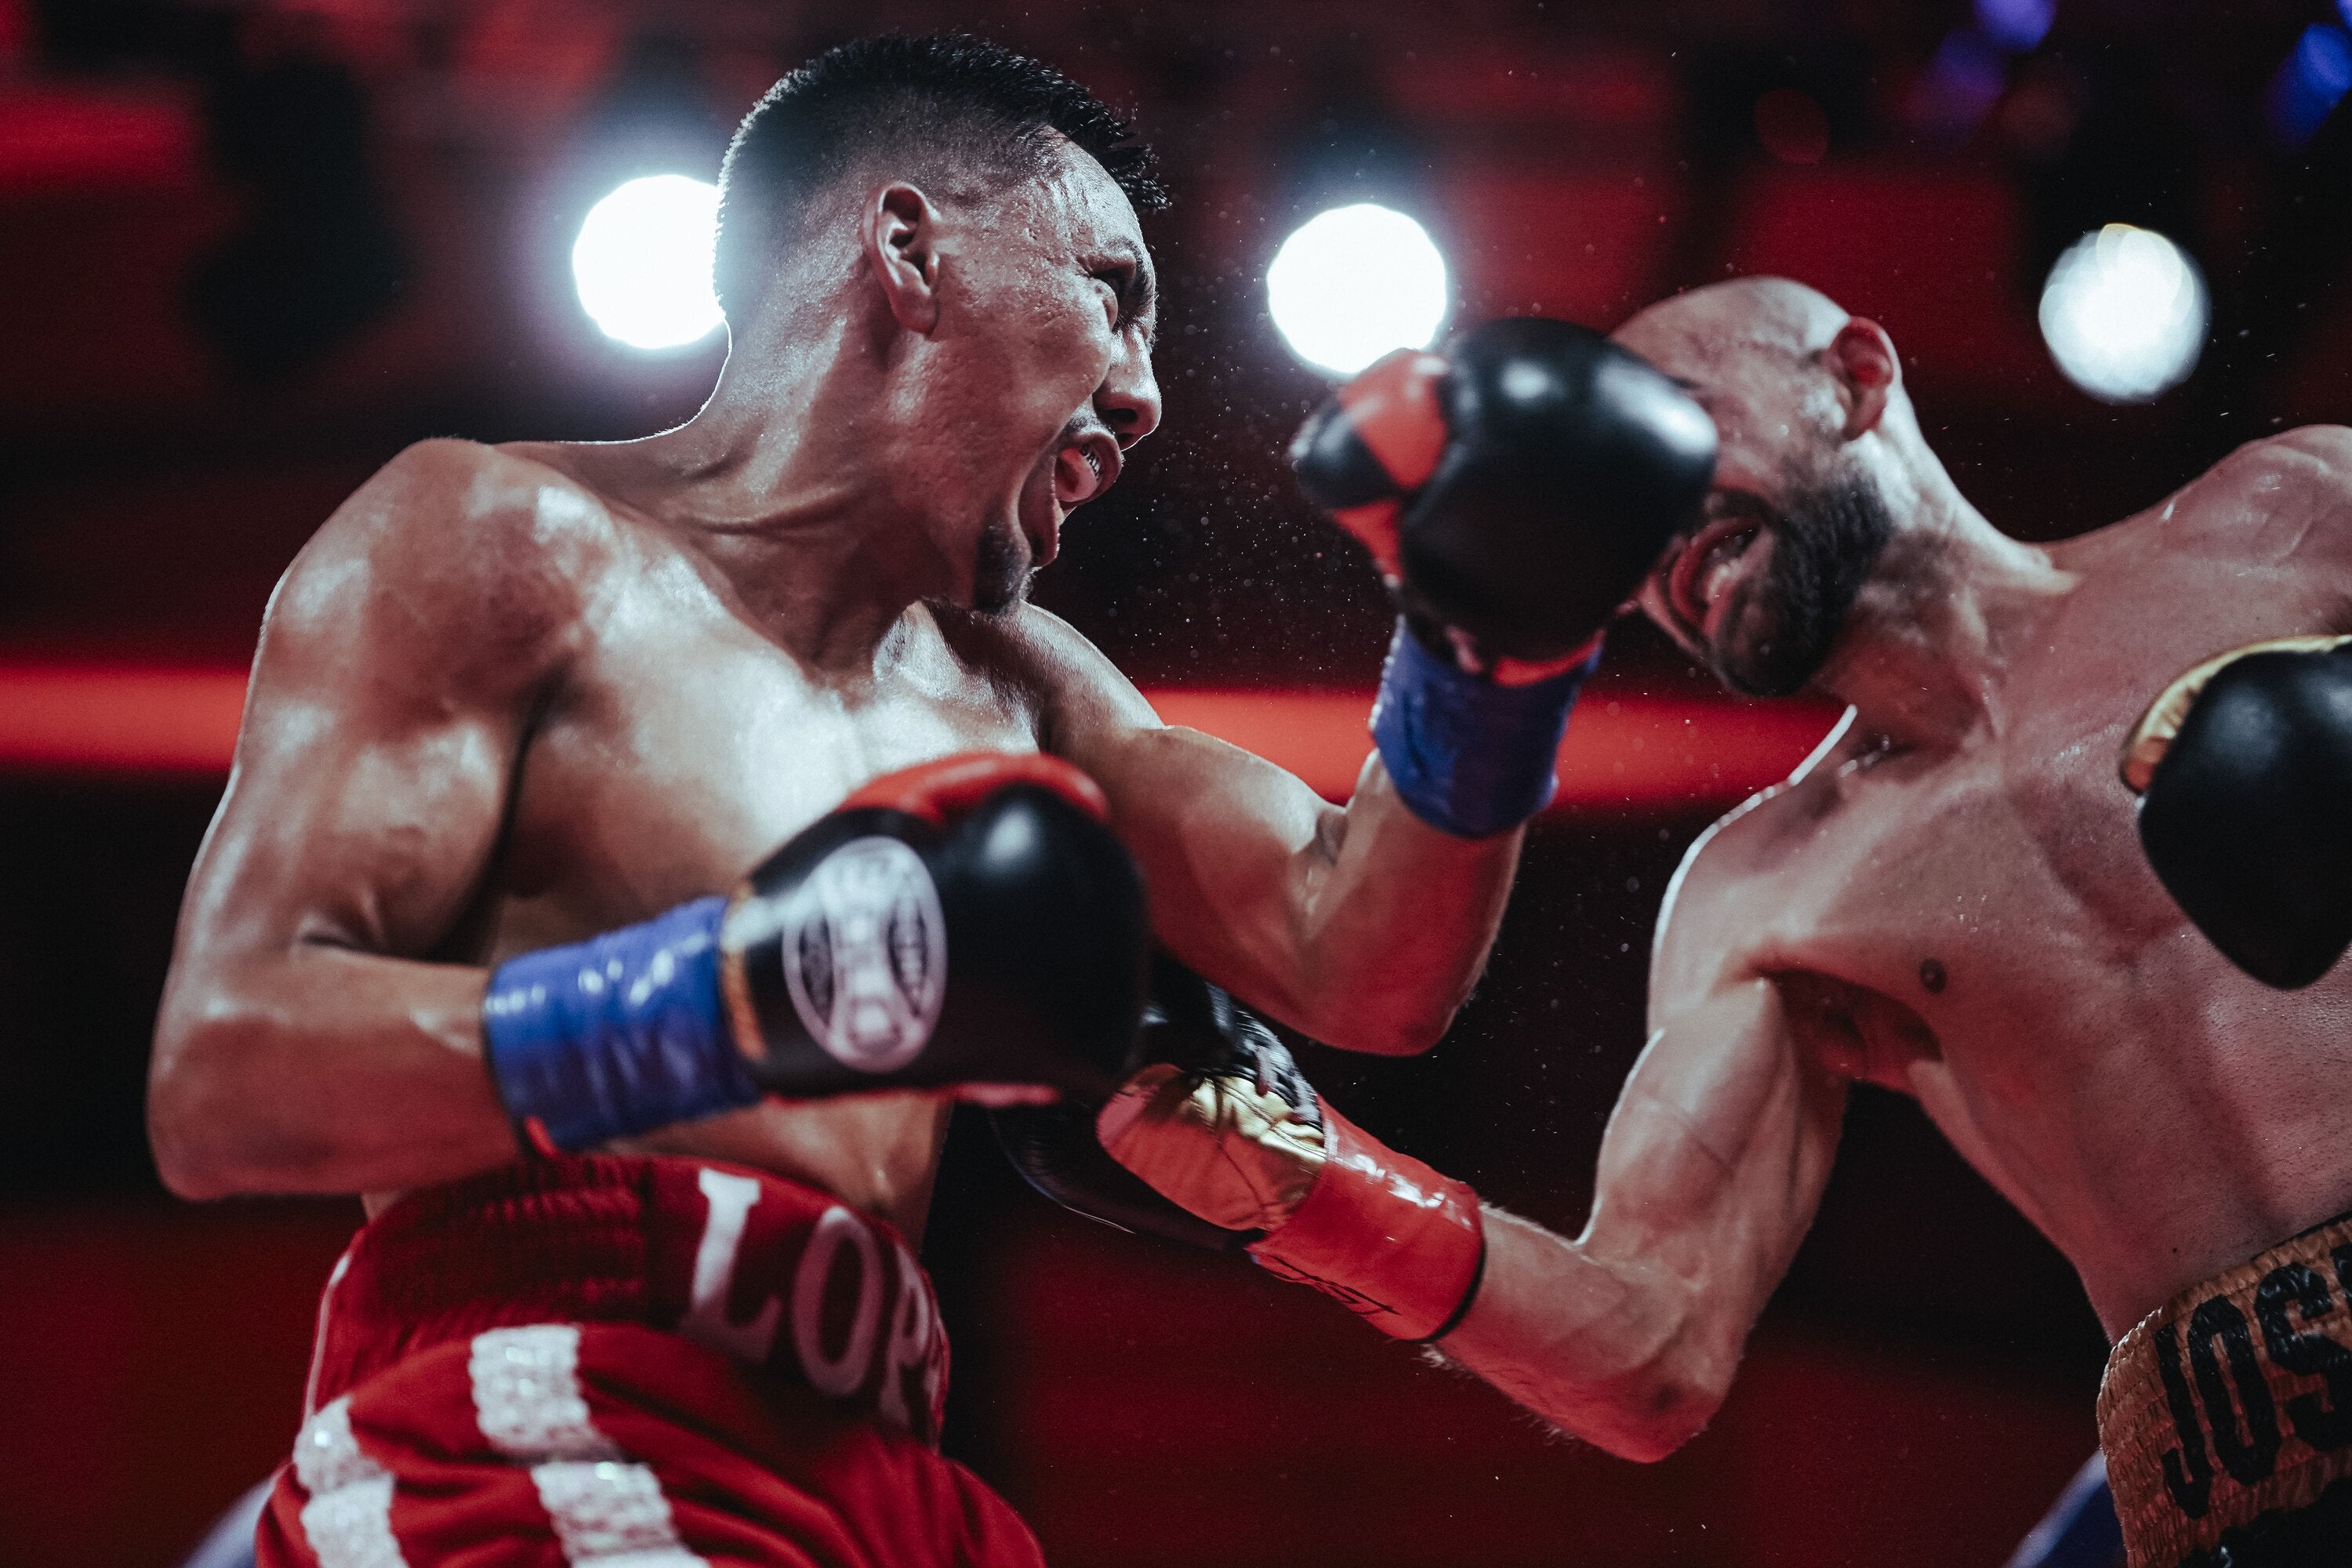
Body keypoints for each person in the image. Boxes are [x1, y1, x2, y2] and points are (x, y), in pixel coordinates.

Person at [147, 33, 1712, 1568]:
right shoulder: (503, 537)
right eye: (1115, 293)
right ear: (911, 249)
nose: (1152, 393)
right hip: (551, 1403)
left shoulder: (1021, 690)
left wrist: (1490, 651)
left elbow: (1364, 961)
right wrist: (750, 996)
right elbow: (222, 1081)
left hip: (882, 1461)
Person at [1089, 276, 2352, 1568]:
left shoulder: (2285, 525)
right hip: (2238, 1502)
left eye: (1673, 431)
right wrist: (1302, 1179)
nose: (1643, 532)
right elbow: (1652, 1354)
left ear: (1855, 377)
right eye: (1612, 519)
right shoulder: (1766, 895)